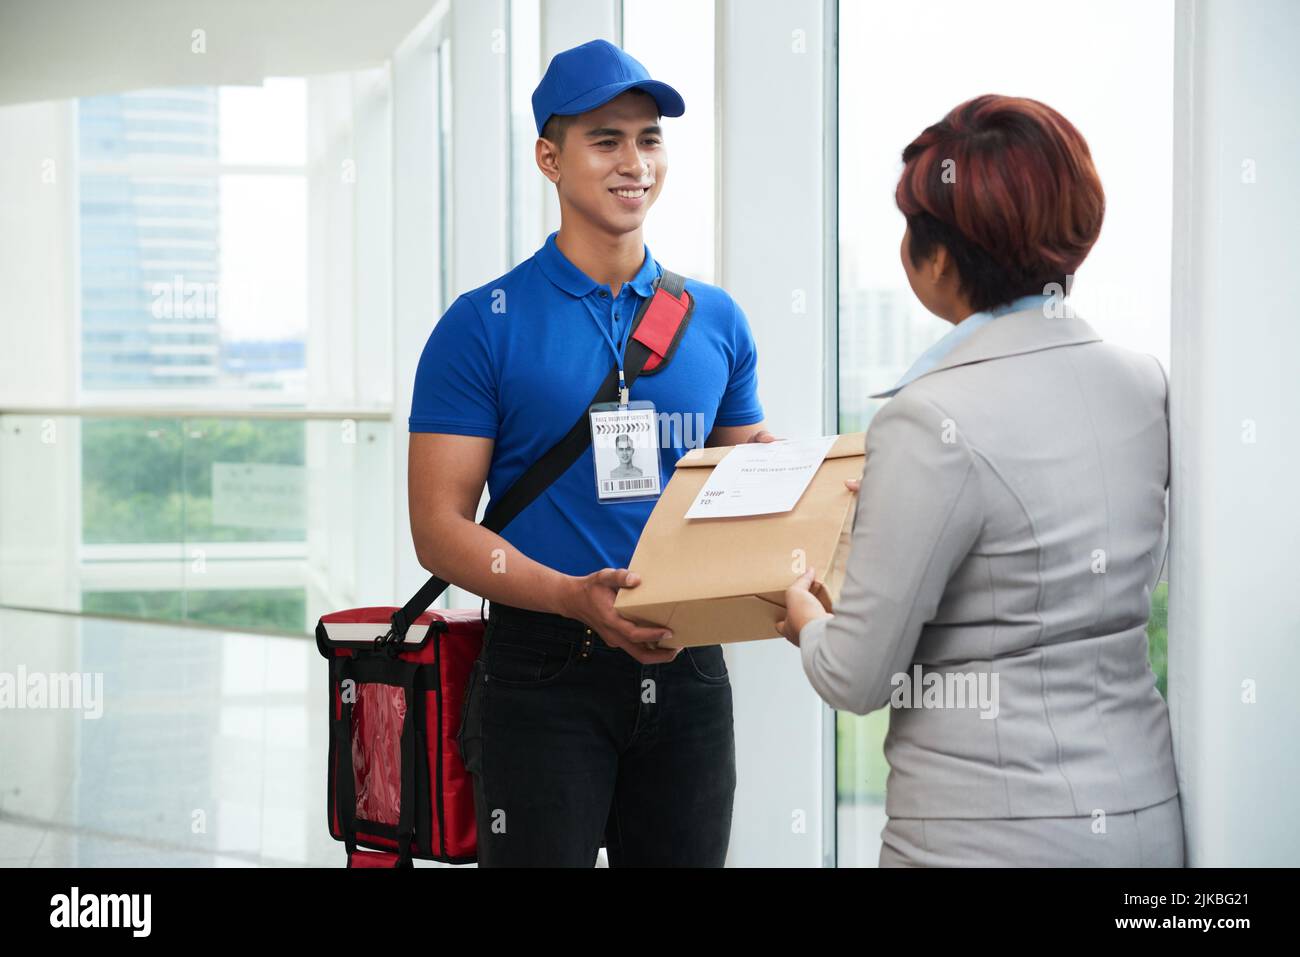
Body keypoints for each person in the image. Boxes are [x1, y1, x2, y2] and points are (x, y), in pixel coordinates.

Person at [777, 94, 1183, 867]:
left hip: (984, 841)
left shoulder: (928, 418)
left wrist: (805, 617)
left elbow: (855, 674)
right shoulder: (1144, 384)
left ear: (936, 259)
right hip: (1142, 826)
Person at [408, 38, 774, 867]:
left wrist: (812, 482)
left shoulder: (713, 319)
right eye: (605, 139)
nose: (633, 162)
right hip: (542, 672)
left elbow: (744, 467)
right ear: (549, 157)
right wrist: (575, 598)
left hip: (690, 670)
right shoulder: (481, 324)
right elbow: (438, 528)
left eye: (648, 139)